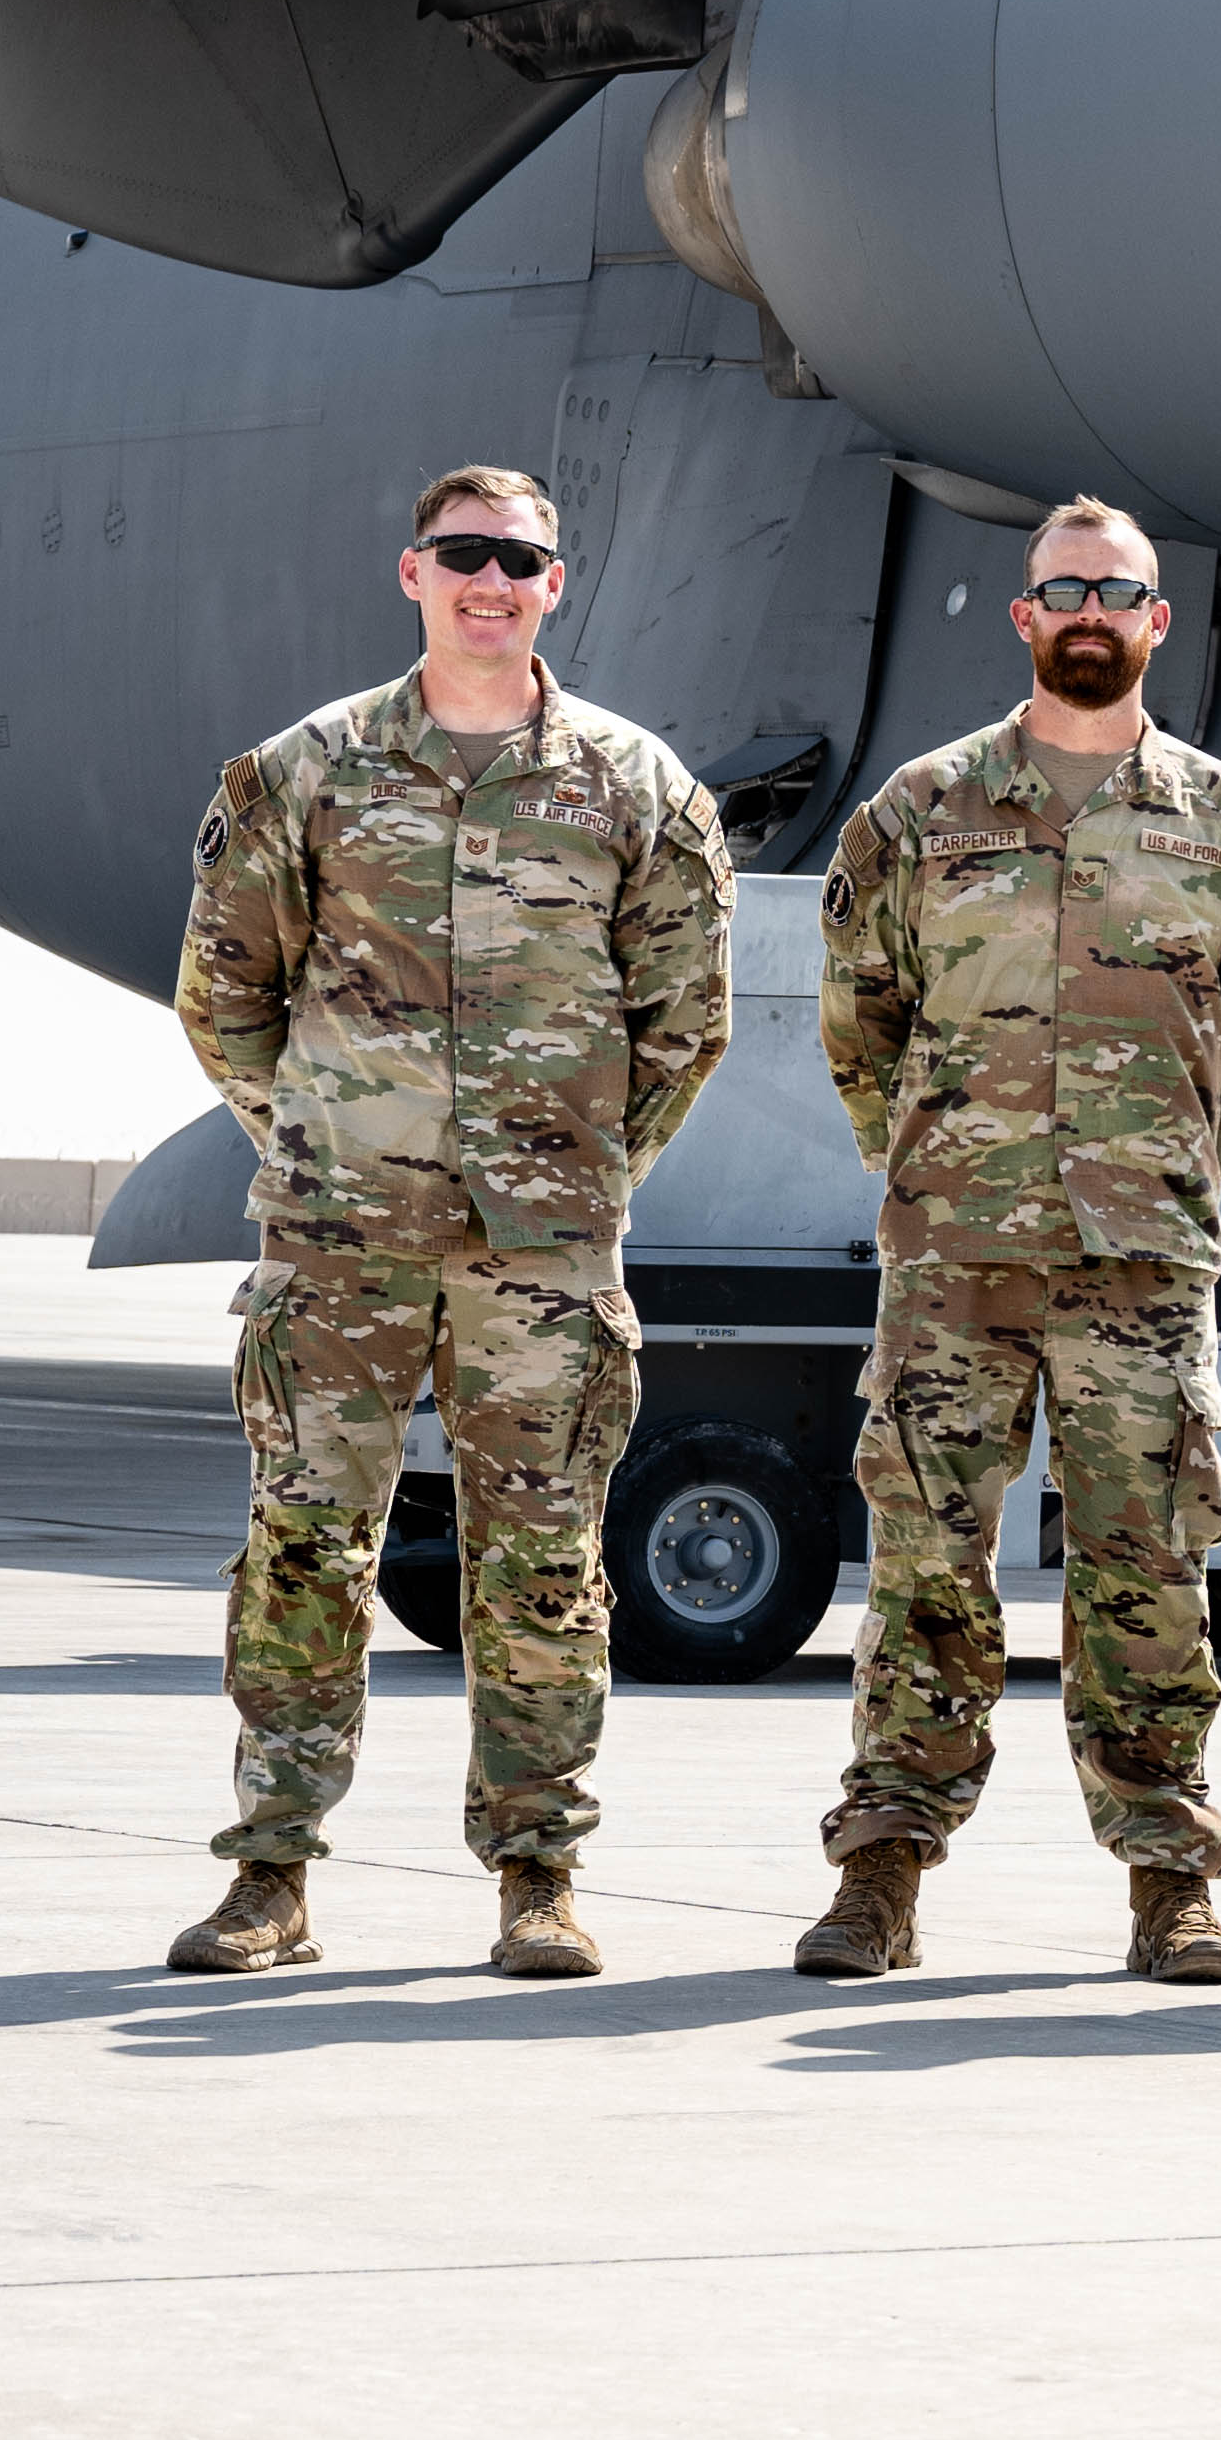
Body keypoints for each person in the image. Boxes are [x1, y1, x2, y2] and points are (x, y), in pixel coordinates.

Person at [161, 462, 733, 1982]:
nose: (492, 579)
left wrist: (575, 1169)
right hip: (341, 1236)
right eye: (464, 553)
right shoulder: (308, 772)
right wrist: (325, 1138)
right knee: (304, 1544)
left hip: (542, 1255)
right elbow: (226, 994)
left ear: (559, 581)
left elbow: (685, 1021)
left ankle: (538, 1874)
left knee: (540, 1559)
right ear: (412, 571)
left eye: (520, 558)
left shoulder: (633, 785)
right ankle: (270, 1874)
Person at [790, 500, 1221, 1987]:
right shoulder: (920, 809)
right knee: (923, 1568)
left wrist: (1189, 1170)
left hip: (1145, 1263)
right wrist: (935, 1160)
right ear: (1021, 614)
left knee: (1149, 1566)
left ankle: (1169, 1877)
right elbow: (860, 1022)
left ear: (1158, 621)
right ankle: (880, 1870)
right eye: (1063, 586)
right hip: (953, 1255)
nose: (1090, 608)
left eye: (1120, 590)